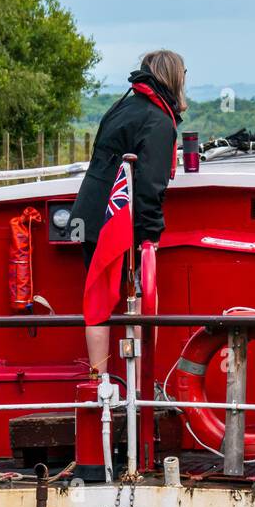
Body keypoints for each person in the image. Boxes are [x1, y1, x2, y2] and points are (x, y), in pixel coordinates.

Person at [71, 50, 185, 374]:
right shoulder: (159, 121)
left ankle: (100, 383)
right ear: (175, 79)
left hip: (88, 214)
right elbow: (151, 186)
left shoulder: (122, 106)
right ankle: (140, 385)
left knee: (98, 301)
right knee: (143, 298)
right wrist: (151, 238)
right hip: (117, 220)